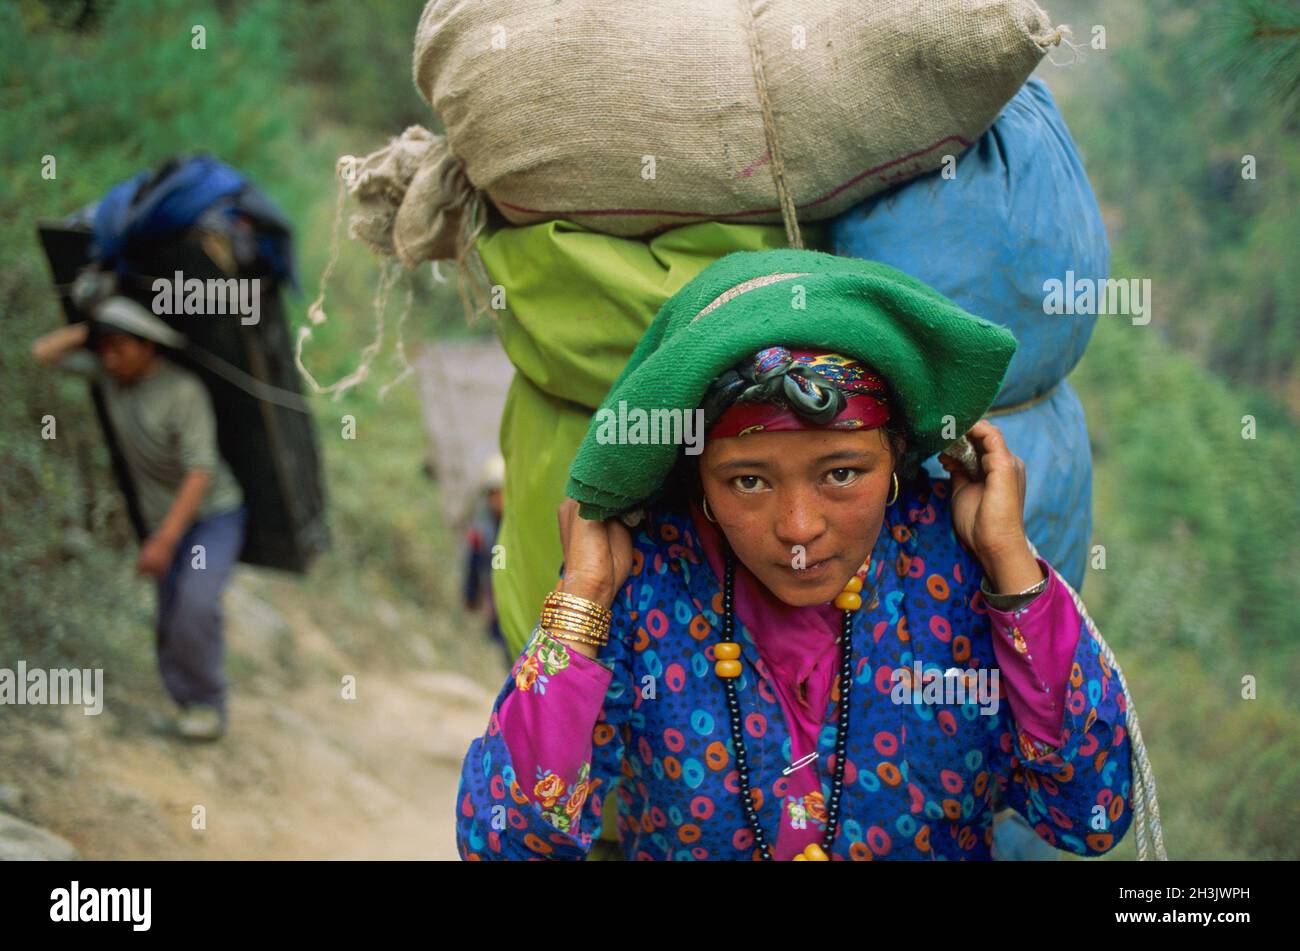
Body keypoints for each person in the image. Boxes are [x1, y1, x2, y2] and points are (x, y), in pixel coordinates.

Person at [455, 250, 1133, 860]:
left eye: (841, 473)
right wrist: (583, 598)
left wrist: (1010, 564)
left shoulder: (950, 572)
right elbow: (503, 844)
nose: (799, 527)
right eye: (748, 480)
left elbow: (1091, 812)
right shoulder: (653, 584)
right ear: (700, 484)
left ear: (896, 458)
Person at [32, 298, 246, 741]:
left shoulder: (182, 392)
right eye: (104, 348)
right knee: (169, 612)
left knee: (196, 602)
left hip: (210, 517)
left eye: (122, 346)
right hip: (161, 519)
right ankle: (186, 705)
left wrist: (164, 540)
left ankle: (209, 706)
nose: (111, 356)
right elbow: (43, 354)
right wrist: (90, 330)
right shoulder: (111, 378)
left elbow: (199, 471)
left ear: (149, 347)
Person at [463, 454, 508, 664]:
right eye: (495, 494)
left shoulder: (520, 530)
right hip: (497, 604)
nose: (500, 499)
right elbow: (472, 563)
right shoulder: (482, 531)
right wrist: (470, 595)